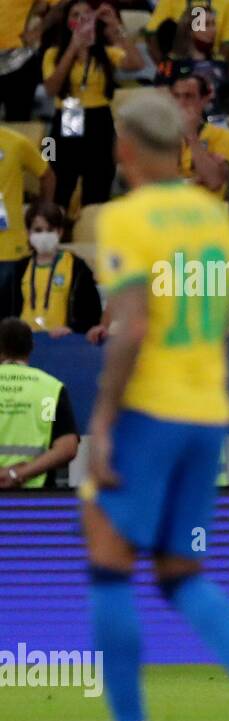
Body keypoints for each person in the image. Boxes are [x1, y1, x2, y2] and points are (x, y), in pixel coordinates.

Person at [66, 92, 229, 721]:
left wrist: (101, 422)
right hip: (205, 411)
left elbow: (130, 323)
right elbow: (217, 321)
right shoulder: (213, 218)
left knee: (107, 559)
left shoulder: (126, 218)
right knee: (179, 567)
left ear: (125, 148)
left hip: (151, 409)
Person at [42, 2, 145, 209]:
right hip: (68, 117)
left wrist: (116, 27)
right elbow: (51, 88)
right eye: (75, 14)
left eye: (86, 15)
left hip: (100, 119)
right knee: (62, 181)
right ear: (67, 22)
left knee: (98, 186)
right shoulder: (53, 54)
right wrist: (73, 47)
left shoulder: (106, 53)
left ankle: (93, 232)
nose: (81, 19)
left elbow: (137, 64)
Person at [1, 202, 104, 340]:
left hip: (63, 341)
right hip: (23, 343)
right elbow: (4, 312)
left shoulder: (77, 267)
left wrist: (73, 329)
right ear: (28, 232)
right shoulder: (18, 269)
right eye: (38, 230)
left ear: (60, 232)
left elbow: (92, 312)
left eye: (50, 230)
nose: (44, 235)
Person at [0, 317, 79, 489]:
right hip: (36, 501)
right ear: (32, 348)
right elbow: (67, 447)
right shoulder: (49, 390)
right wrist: (17, 473)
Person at [0, 123, 55, 295]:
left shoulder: (16, 143)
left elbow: (47, 176)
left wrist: (42, 214)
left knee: (9, 317)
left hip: (9, 250)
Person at [171, 69, 229, 197]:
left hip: (206, 210)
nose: (181, 103)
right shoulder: (160, 134)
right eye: (177, 96)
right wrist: (193, 182)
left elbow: (213, 182)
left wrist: (191, 135)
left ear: (204, 99)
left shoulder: (222, 135)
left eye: (188, 96)